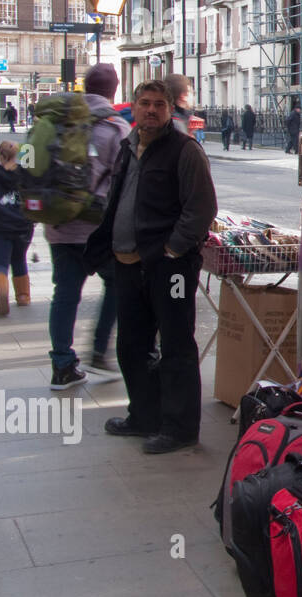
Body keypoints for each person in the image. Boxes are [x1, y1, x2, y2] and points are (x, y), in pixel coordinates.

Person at [87, 80, 217, 453]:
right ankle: (143, 416)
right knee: (132, 344)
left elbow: (202, 208)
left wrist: (173, 250)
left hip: (169, 268)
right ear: (135, 107)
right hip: (128, 263)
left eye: (159, 104)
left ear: (169, 109)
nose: (150, 110)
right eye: (144, 103)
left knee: (176, 346)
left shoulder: (184, 150)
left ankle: (179, 428)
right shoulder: (128, 147)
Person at [45, 64, 131, 389]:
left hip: (59, 223)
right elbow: (125, 181)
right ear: (114, 90)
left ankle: (63, 366)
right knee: (118, 284)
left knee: (65, 294)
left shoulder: (56, 122)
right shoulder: (115, 127)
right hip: (97, 228)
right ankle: (98, 350)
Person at [0, 141, 34, 317]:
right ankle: (23, 296)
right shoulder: (26, 176)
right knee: (19, 259)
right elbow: (36, 199)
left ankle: (2, 291)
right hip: (23, 227)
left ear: (0, 156)